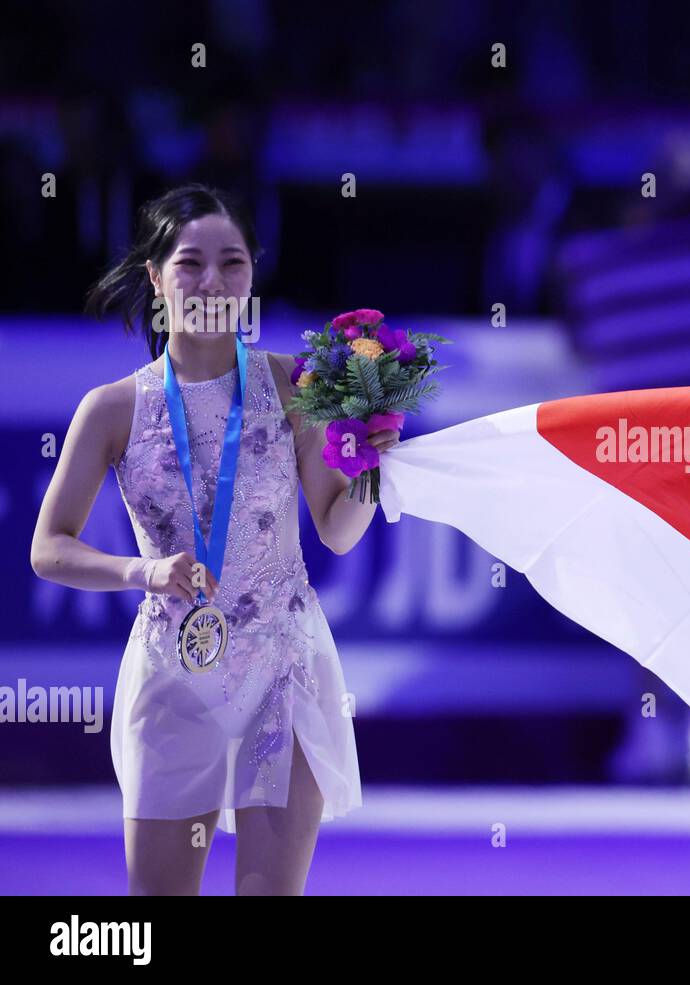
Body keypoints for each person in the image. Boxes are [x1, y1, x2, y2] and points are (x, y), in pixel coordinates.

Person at [30, 184, 402, 895]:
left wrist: (372, 464)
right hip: (174, 680)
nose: (212, 281)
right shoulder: (112, 407)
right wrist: (142, 570)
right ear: (155, 276)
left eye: (232, 262)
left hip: (285, 673)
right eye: (190, 262)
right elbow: (48, 546)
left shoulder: (294, 384)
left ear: (253, 275)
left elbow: (339, 531)